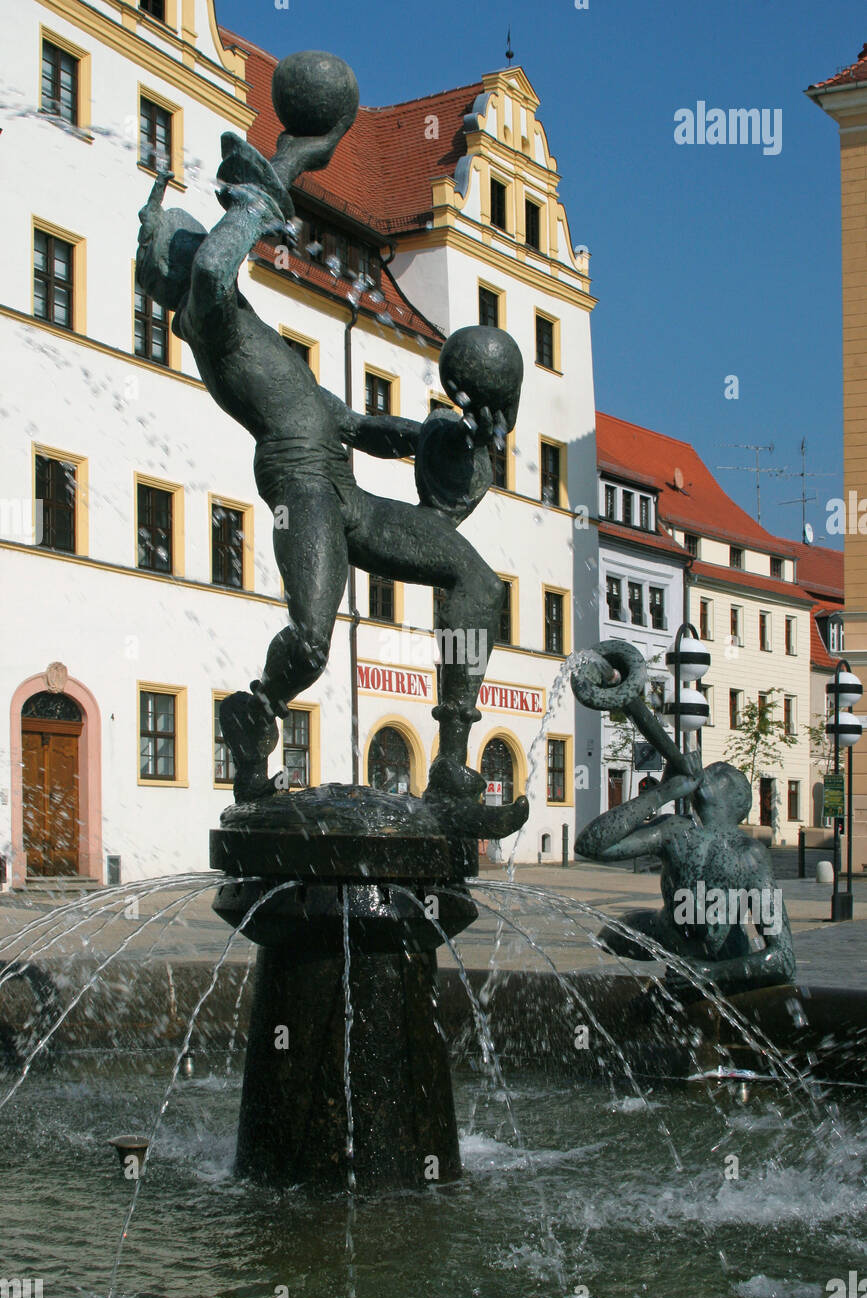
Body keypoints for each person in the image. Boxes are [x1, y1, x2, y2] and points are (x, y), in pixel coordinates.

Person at [135, 135, 527, 837]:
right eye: (188, 239)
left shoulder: (261, 338)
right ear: (179, 264)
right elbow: (216, 272)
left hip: (345, 493)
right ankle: (255, 714)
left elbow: (351, 423)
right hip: (300, 488)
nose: (201, 242)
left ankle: (451, 761)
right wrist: (260, 198)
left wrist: (453, 434)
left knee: (474, 578)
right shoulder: (211, 322)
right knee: (313, 644)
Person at [574, 751, 795, 997]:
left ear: (737, 799)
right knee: (611, 934)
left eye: (721, 772)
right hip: (670, 939)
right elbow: (591, 845)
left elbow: (783, 958)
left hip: (719, 961)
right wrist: (661, 794)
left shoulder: (750, 854)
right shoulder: (676, 831)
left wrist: (712, 972)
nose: (708, 773)